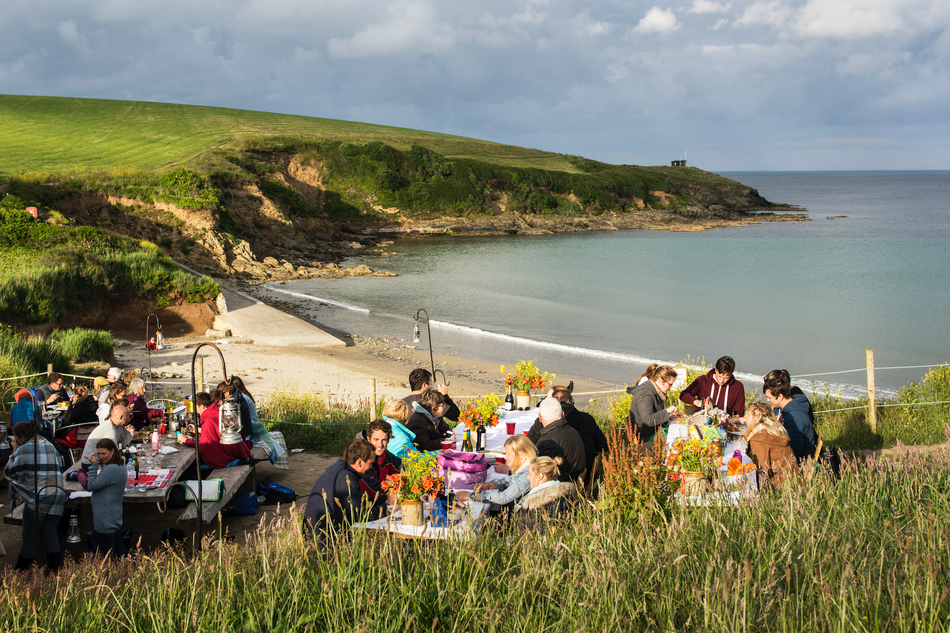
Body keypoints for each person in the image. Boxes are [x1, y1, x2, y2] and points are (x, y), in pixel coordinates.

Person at [4, 421, 67, 572]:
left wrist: (14, 450)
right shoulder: (48, 444)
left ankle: (19, 573)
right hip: (57, 494)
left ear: (22, 436)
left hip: (38, 498)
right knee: (50, 533)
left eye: (15, 437)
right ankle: (53, 571)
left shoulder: (24, 449)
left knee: (29, 537)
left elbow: (9, 471)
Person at [303, 438, 384, 547]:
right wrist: (387, 509)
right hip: (326, 541)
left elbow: (357, 500)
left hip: (314, 532)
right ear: (359, 462)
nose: (370, 467)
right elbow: (360, 513)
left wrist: (384, 499)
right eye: (370, 463)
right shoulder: (346, 478)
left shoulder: (336, 469)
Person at [456, 434, 536, 506]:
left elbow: (503, 497)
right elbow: (512, 479)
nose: (505, 457)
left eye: (508, 454)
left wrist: (471, 495)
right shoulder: (528, 466)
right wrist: (490, 485)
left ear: (521, 455)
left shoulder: (528, 474)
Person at [182, 391, 253, 470]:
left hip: (227, 456)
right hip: (237, 449)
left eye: (196, 407)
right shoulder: (218, 409)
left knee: (192, 468)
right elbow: (217, 431)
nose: (196, 410)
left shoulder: (209, 420)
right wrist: (199, 430)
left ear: (202, 406)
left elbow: (204, 445)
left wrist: (185, 440)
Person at [743, 402, 801, 490]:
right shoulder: (772, 430)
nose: (745, 417)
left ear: (757, 418)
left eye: (747, 414)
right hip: (793, 481)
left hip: (779, 487)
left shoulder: (759, 438)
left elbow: (762, 469)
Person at [763, 369, 816, 462]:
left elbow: (793, 453)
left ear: (780, 396)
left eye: (769, 397)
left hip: (797, 465)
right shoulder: (788, 410)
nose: (768, 400)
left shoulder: (795, 418)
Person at [86, 438, 127, 558]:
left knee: (108, 556)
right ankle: (126, 573)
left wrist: (93, 466)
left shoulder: (110, 469)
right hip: (113, 517)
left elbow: (91, 485)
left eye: (104, 454)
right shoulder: (120, 466)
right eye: (98, 454)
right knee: (119, 552)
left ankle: (113, 576)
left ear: (113, 451)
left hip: (105, 519)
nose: (100, 457)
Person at [551, 388, 608, 474]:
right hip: (587, 472)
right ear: (572, 403)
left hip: (560, 474)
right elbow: (603, 445)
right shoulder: (588, 419)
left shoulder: (549, 421)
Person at [513, 456, 577, 531]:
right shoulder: (562, 493)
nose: (528, 477)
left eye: (530, 474)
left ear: (540, 476)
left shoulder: (537, 506)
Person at [532, 397, 586, 482]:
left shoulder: (546, 443)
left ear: (540, 417)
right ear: (562, 414)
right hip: (573, 481)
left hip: (560, 489)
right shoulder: (574, 431)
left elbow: (539, 475)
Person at [629, 364, 683, 446]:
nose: (671, 387)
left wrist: (668, 416)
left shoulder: (655, 391)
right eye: (670, 384)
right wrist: (667, 411)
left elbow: (654, 415)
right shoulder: (645, 394)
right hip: (644, 438)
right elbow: (648, 420)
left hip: (650, 432)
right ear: (661, 380)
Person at [679, 356, 746, 416]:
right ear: (716, 369)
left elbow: (739, 413)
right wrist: (698, 402)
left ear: (731, 374)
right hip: (701, 421)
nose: (722, 380)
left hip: (723, 424)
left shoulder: (738, 387)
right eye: (719, 376)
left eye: (726, 378)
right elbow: (684, 394)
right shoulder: (702, 380)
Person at [358, 420, 402, 500]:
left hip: (381, 501)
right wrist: (392, 495)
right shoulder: (360, 458)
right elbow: (373, 487)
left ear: (388, 440)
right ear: (368, 439)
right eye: (376, 439)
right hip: (363, 505)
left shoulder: (388, 457)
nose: (380, 444)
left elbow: (403, 471)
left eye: (384, 440)